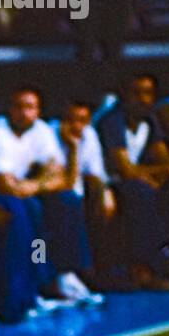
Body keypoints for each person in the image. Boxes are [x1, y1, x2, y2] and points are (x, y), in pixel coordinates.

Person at [0, 87, 93, 320]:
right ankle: (32, 289)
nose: (24, 113)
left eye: (30, 107)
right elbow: (4, 185)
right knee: (28, 211)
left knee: (67, 200)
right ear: (10, 109)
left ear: (38, 111)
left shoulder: (42, 130)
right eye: (19, 107)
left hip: (27, 193)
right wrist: (41, 181)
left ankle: (64, 276)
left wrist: (33, 185)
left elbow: (65, 180)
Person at [96, 73, 169, 291]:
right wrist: (157, 172)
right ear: (125, 95)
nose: (143, 99)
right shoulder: (112, 120)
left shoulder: (149, 120)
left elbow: (167, 161)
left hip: (138, 181)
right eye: (137, 93)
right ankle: (142, 268)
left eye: (148, 93)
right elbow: (124, 169)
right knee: (141, 192)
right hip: (106, 185)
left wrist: (158, 173)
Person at [49, 99, 113, 298]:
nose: (77, 126)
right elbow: (67, 183)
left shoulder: (89, 134)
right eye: (71, 120)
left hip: (72, 198)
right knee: (39, 238)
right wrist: (74, 148)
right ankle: (57, 275)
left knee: (100, 203)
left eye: (82, 120)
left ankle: (90, 274)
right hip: (50, 199)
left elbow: (96, 175)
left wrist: (105, 193)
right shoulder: (49, 134)